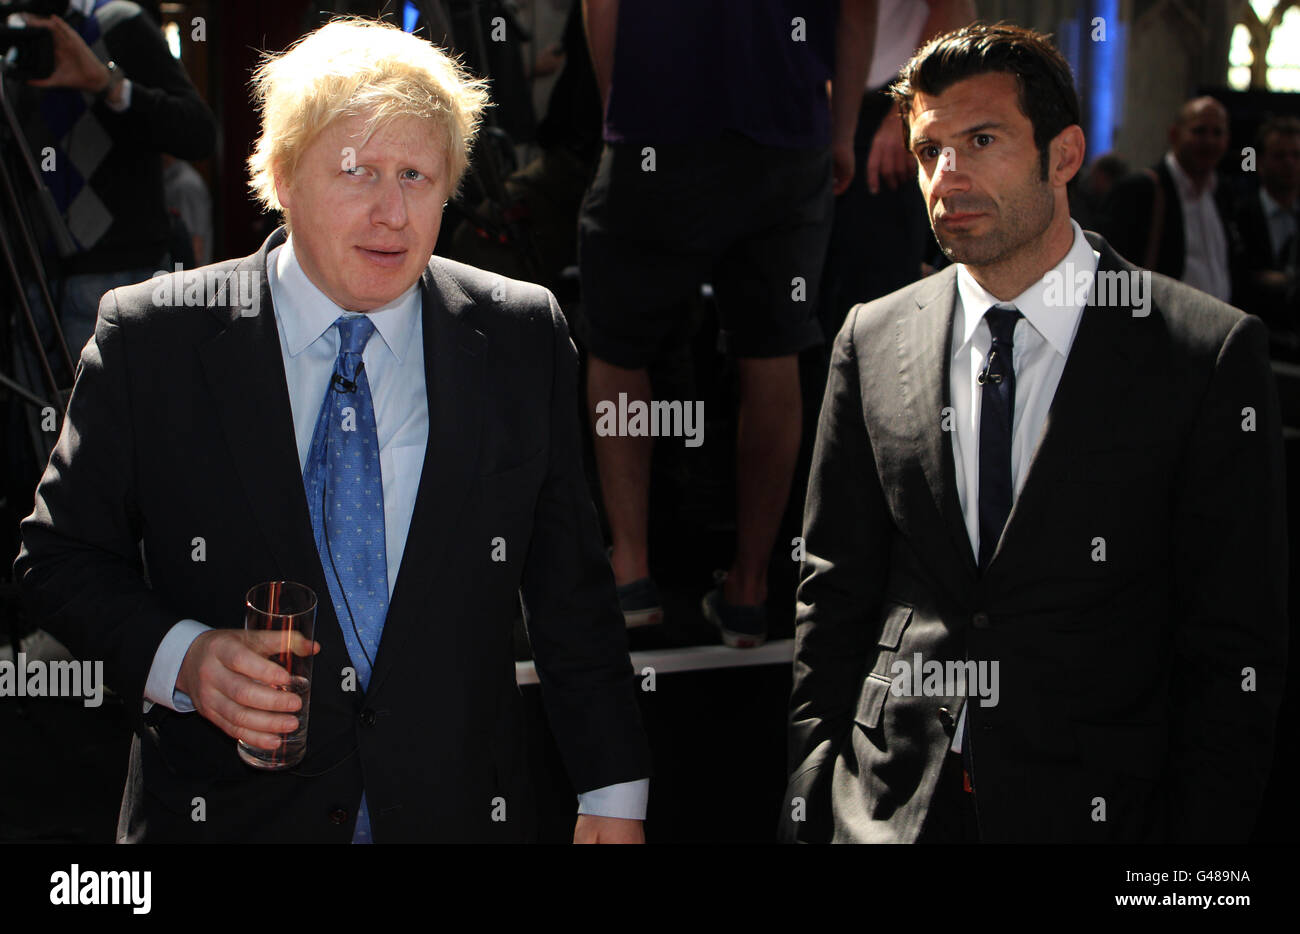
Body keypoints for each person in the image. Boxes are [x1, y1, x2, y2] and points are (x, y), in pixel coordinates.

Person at [13, 17, 651, 844]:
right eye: (358, 171)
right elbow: (55, 560)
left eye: (418, 175)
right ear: (280, 175)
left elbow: (570, 588)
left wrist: (613, 794)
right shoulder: (154, 338)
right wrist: (186, 659)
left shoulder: (519, 335)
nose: (393, 212)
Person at [783, 24, 1286, 843]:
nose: (948, 176)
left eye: (982, 140)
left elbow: (1234, 644)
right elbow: (832, 591)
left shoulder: (1203, 352)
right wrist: (810, 798)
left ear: (1065, 154)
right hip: (886, 810)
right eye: (927, 150)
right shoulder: (870, 339)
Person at [579, 0, 875, 645]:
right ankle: (748, 590)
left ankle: (630, 571)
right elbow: (855, 12)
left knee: (618, 347)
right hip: (790, 136)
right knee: (772, 354)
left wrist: (617, 112)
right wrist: (842, 130)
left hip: (655, 125)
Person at [13, 0, 216, 376]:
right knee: (40, 429)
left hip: (118, 275)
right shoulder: (13, 33)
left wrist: (111, 86)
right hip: (28, 280)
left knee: (130, 427)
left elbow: (199, 134)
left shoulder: (118, 22)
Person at [1100, 96, 1239, 302]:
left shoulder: (1222, 193)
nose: (1209, 141)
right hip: (1160, 328)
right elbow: (1111, 274)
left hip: (1220, 327)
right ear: (1174, 134)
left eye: (1217, 133)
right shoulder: (1140, 191)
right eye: (1199, 131)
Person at [1233, 116, 1300, 349]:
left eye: (1296, 155)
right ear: (1259, 162)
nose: (1289, 163)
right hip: (1252, 341)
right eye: (1280, 156)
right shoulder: (1238, 214)